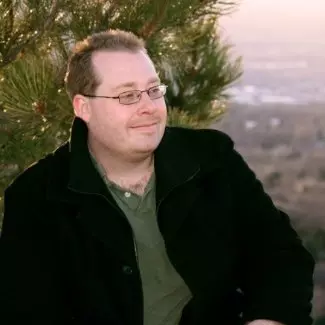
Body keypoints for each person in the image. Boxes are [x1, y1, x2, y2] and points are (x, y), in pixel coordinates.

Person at [0, 29, 315, 325]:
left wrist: (268, 319)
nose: (148, 107)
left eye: (153, 90)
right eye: (127, 96)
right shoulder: (37, 196)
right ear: (84, 107)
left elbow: (280, 256)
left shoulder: (211, 159)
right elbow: (28, 313)